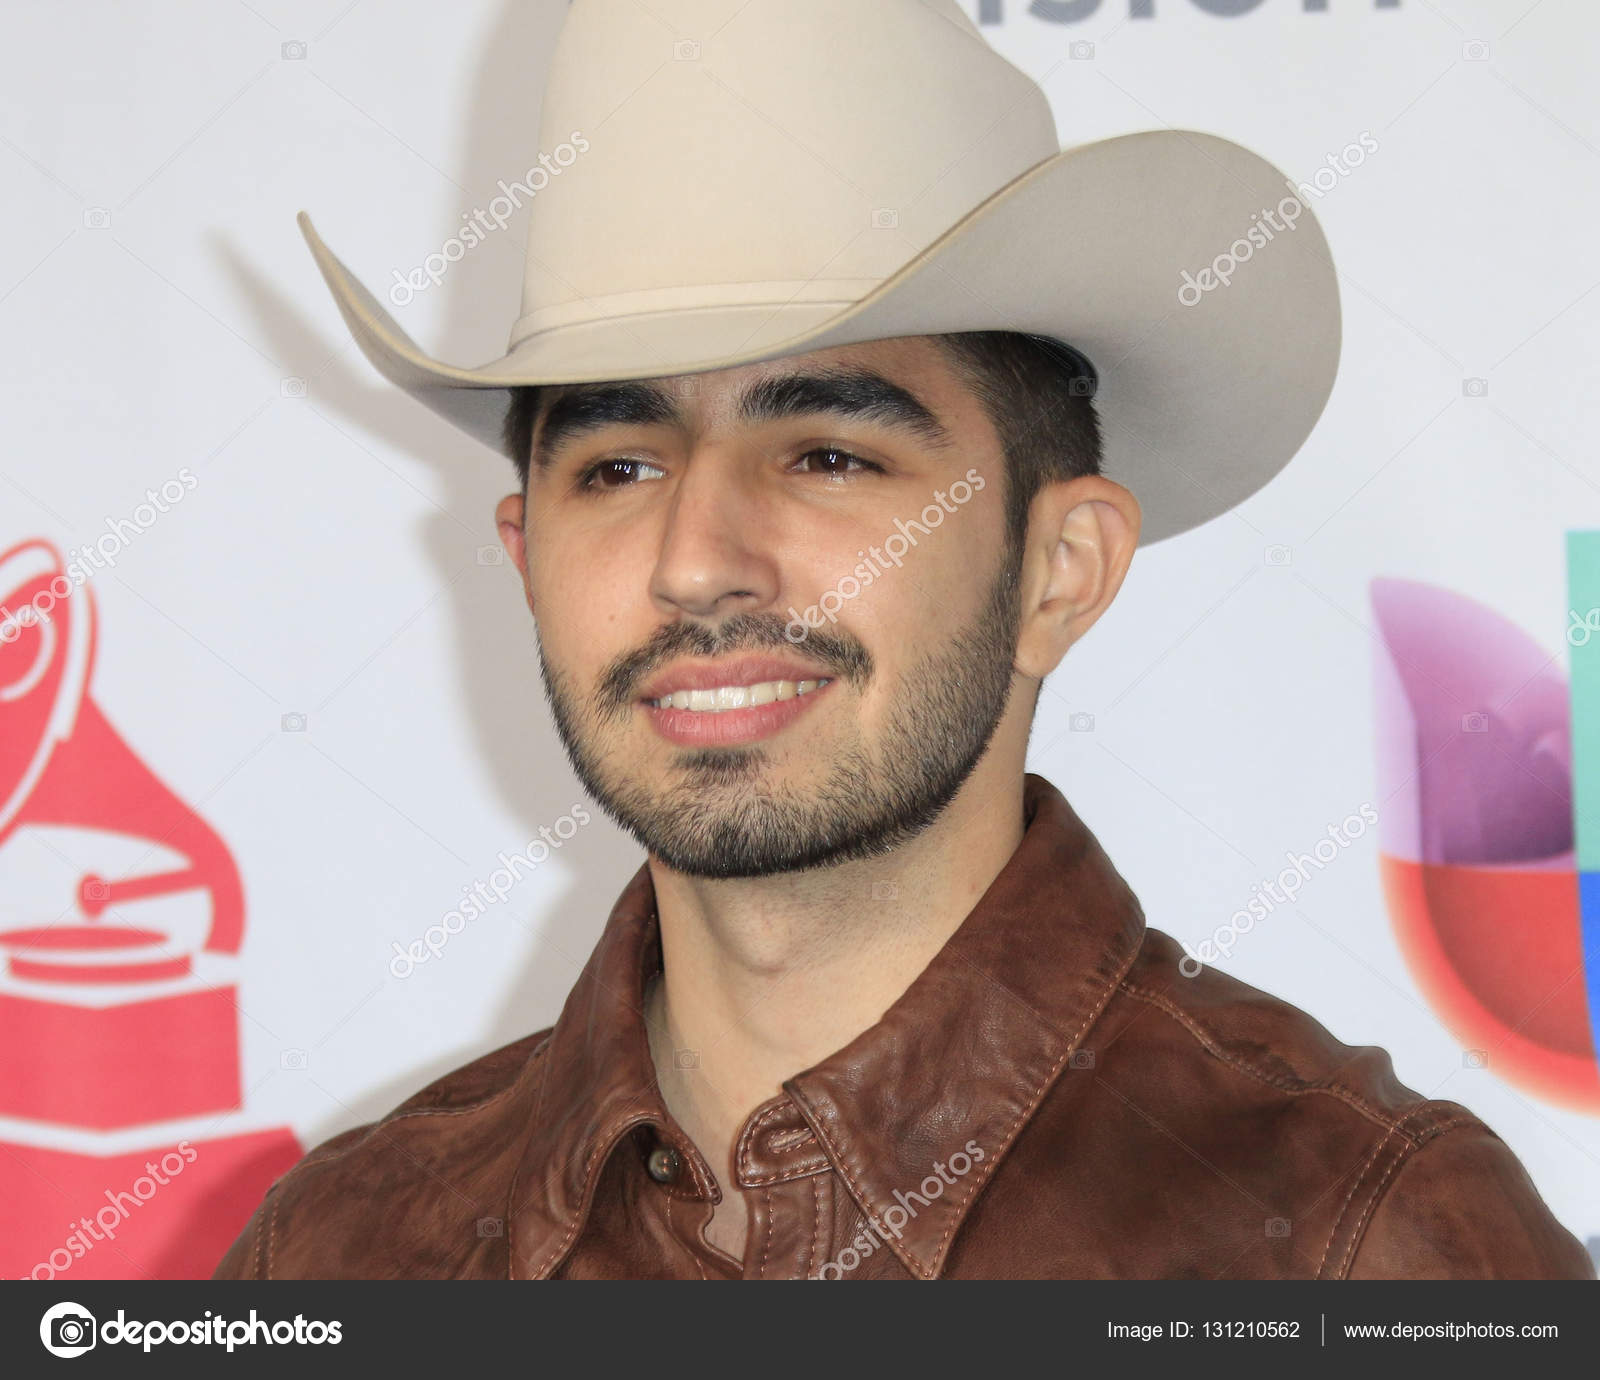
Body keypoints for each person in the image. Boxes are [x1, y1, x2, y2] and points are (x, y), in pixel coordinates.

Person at [214, 0, 1593, 1279]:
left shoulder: (1360, 1242)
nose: (695, 560)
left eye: (824, 454)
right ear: (525, 559)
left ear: (1061, 571)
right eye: (618, 467)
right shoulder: (346, 1253)